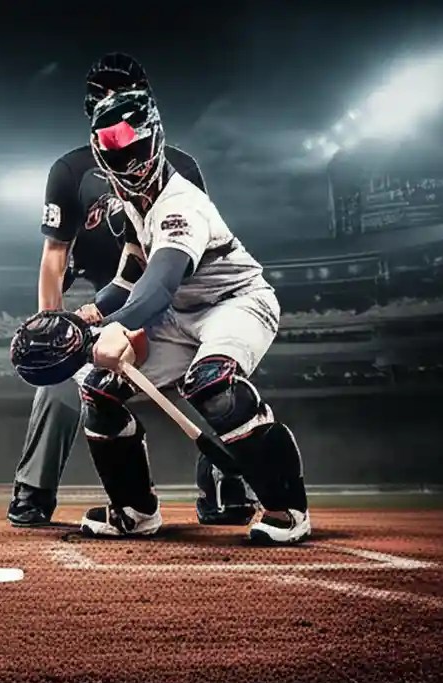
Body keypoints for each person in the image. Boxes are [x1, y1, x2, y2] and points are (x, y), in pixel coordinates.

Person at [7, 52, 257, 528]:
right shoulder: (70, 170)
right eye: (103, 95)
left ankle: (226, 482)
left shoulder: (180, 166)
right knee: (59, 379)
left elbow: (188, 249)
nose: (113, 104)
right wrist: (52, 323)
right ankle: (35, 489)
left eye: (124, 93)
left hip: (167, 302)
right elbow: (55, 253)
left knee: (211, 375)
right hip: (104, 301)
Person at [73, 86, 311, 545]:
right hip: (180, 316)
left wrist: (117, 326)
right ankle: (135, 511)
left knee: (211, 383)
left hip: (235, 302)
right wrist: (85, 317)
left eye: (136, 147)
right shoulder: (131, 204)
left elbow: (160, 285)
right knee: (99, 390)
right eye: (118, 152)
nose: (132, 164)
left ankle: (288, 508)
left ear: (156, 139)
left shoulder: (181, 205)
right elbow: (129, 280)